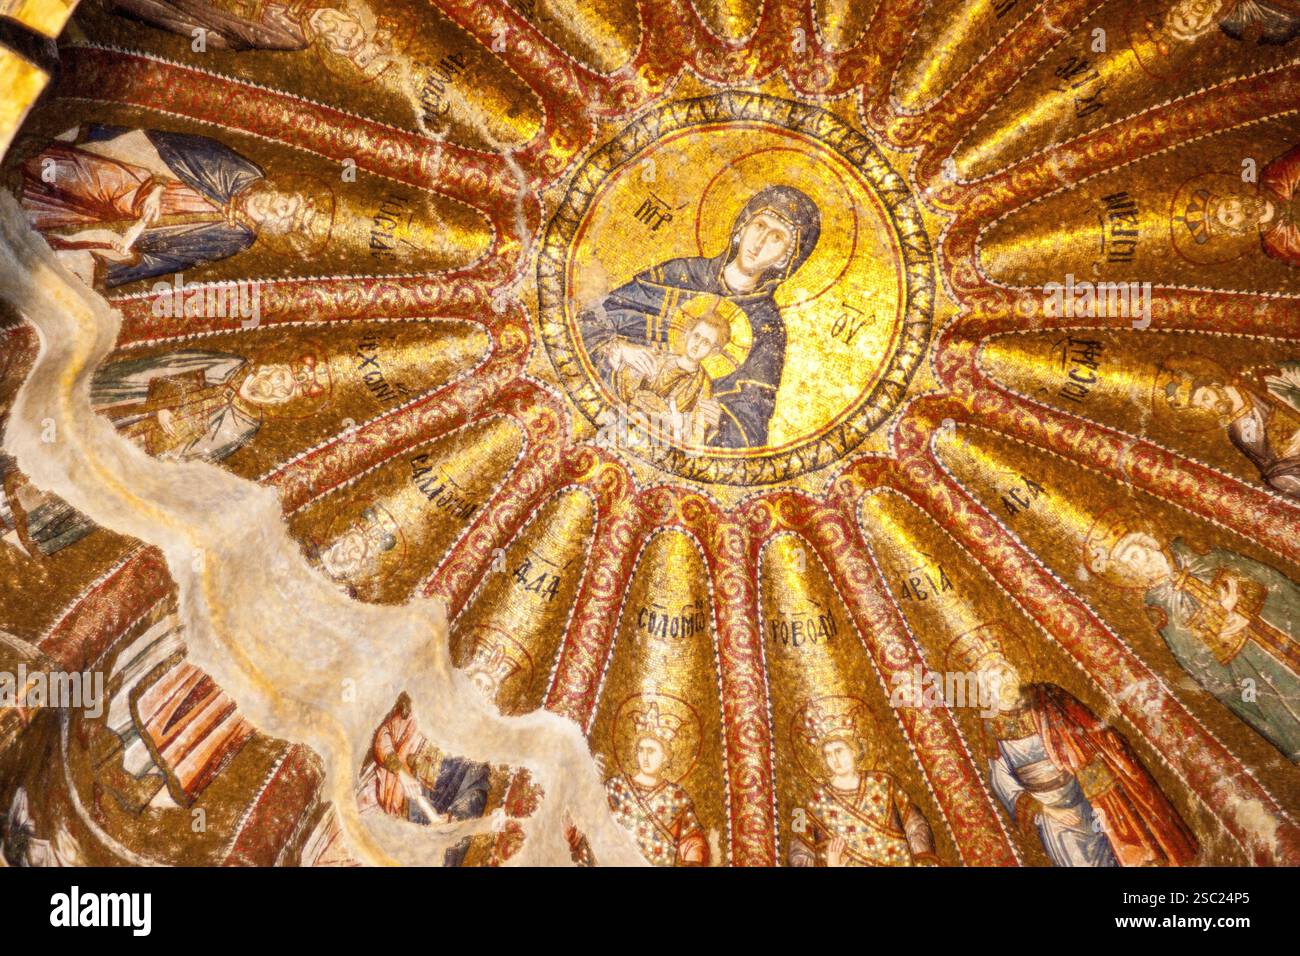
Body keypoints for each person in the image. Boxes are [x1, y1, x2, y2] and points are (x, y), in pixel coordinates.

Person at [577, 185, 821, 448]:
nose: (759, 243)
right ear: (742, 227)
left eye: (776, 238)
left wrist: (721, 420)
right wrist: (619, 347)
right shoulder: (681, 273)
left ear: (785, 258)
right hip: (604, 408)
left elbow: (752, 425)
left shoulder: (766, 327)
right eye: (759, 226)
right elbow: (588, 318)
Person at [950, 626, 1199, 866]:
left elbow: (1092, 732)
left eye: (1004, 672)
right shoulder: (992, 727)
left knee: (1117, 852)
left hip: (1086, 794)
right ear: (984, 688)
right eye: (992, 679)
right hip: (1052, 815)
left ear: (1014, 671)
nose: (1002, 682)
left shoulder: (1046, 697)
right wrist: (1044, 809)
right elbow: (1002, 780)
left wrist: (1104, 755)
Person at [1086, 512, 1300, 762]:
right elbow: (1194, 659)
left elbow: (1261, 576)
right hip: (1252, 668)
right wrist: (1221, 629)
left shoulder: (1196, 554)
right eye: (1127, 566)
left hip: (1280, 627)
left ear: (1146, 542)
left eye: (1134, 555)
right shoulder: (1160, 608)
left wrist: (1240, 605)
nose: (1136, 566)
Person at [17, 124, 323, 288]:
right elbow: (172, 150)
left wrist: (131, 257)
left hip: (132, 225)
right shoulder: (240, 173)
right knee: (100, 182)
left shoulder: (237, 238)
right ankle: (23, 157)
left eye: (284, 211)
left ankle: (21, 214)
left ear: (277, 227)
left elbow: (176, 259)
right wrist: (157, 188)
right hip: (137, 179)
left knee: (72, 231)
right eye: (286, 198)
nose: (276, 203)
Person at [788, 702, 938, 867]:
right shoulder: (814, 802)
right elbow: (798, 853)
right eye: (828, 755)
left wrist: (920, 857)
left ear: (853, 751)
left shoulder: (884, 783)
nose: (834, 760)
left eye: (839, 751)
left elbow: (915, 823)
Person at [360, 693, 491, 867]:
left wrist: (453, 817)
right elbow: (384, 736)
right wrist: (401, 772)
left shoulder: (476, 749)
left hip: (431, 824)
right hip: (392, 805)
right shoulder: (425, 710)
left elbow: (476, 792)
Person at [1157, 358, 1300, 500]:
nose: (1209, 406)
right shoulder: (1237, 431)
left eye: (1206, 397)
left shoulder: (1257, 379)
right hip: (1294, 464)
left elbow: (1292, 371)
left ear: (1214, 384)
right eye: (1200, 406)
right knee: (1281, 481)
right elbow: (1273, 463)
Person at [601, 702, 710, 866]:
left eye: (651, 751)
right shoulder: (616, 788)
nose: (644, 757)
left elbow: (693, 842)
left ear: (665, 756)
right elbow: (592, 826)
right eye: (641, 750)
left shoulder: (676, 797)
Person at [612, 302, 731, 445]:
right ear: (688, 334)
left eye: (706, 342)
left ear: (714, 351)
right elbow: (627, 386)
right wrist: (620, 365)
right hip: (627, 422)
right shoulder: (660, 358)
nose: (697, 344)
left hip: (660, 439)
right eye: (696, 336)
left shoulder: (703, 385)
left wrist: (676, 422)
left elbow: (696, 428)